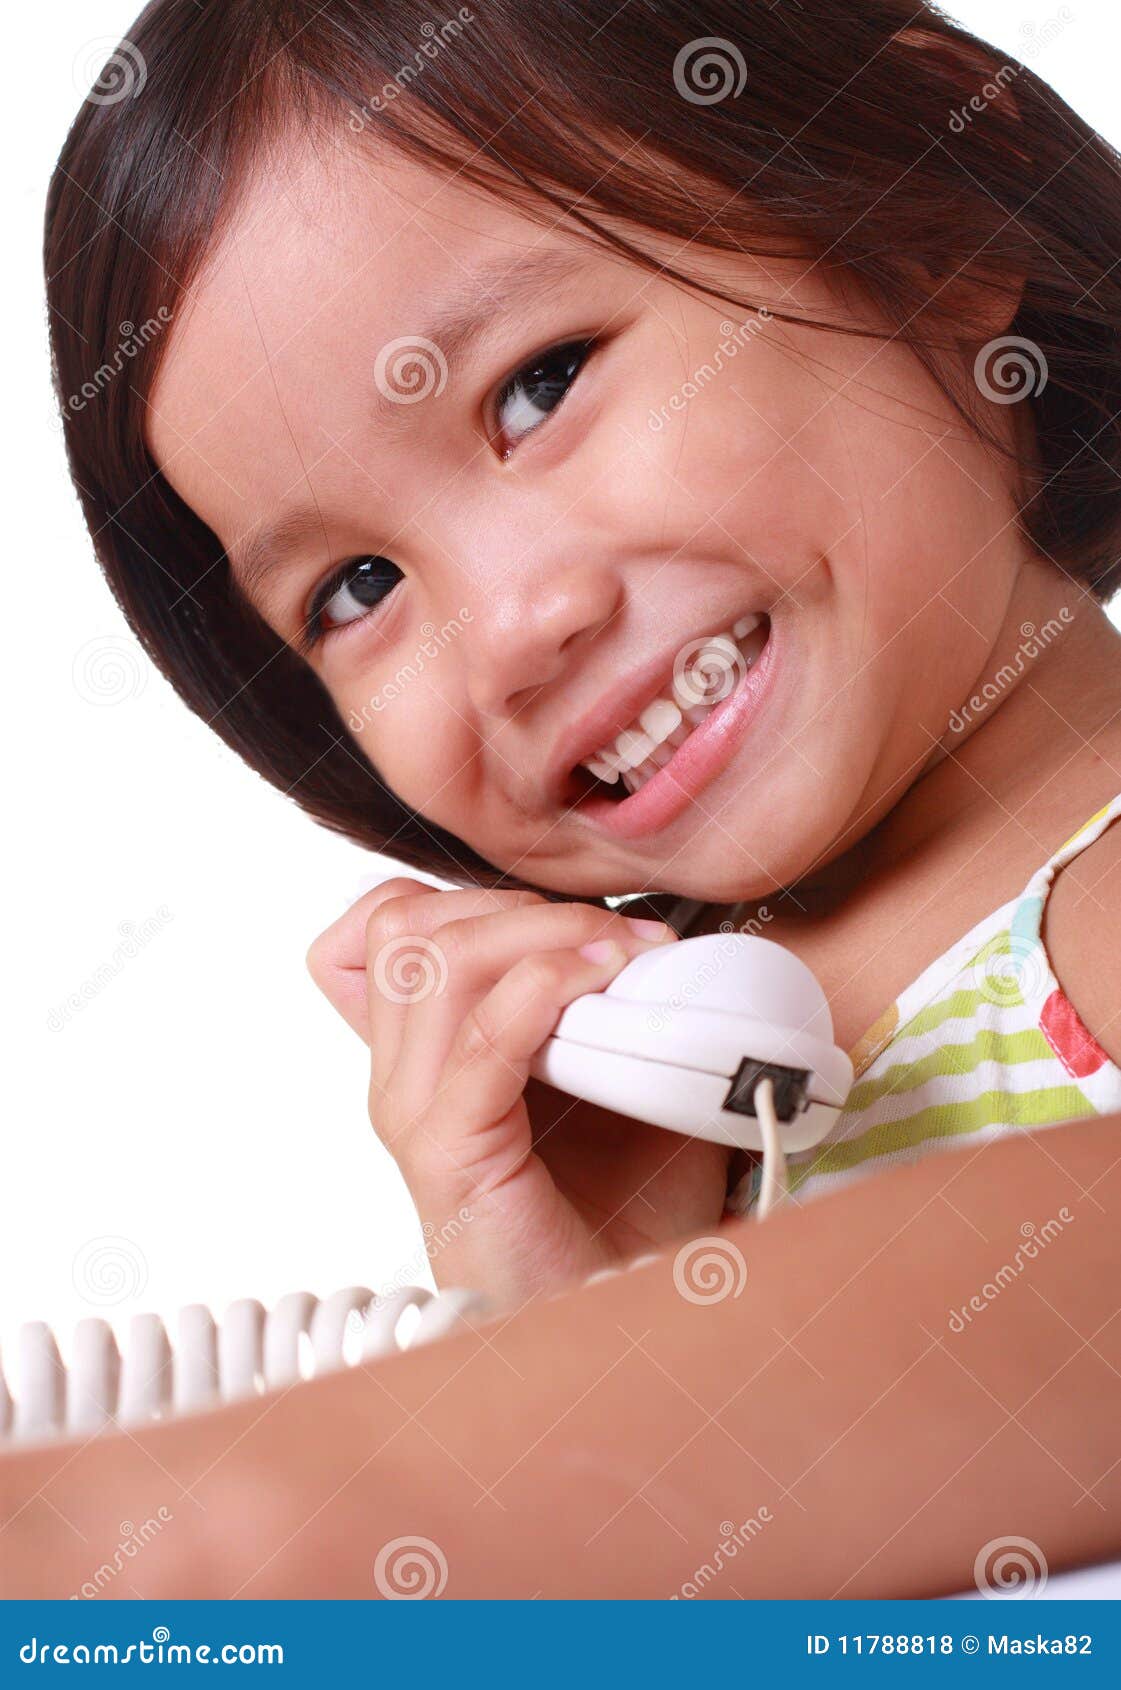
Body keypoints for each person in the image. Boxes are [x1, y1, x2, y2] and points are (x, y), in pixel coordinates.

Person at [12, 0, 1121, 1597]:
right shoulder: (663, 1105)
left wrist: (258, 1519)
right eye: (358, 587)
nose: (510, 631)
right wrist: (557, 1294)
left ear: (928, 227)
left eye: (538, 385)